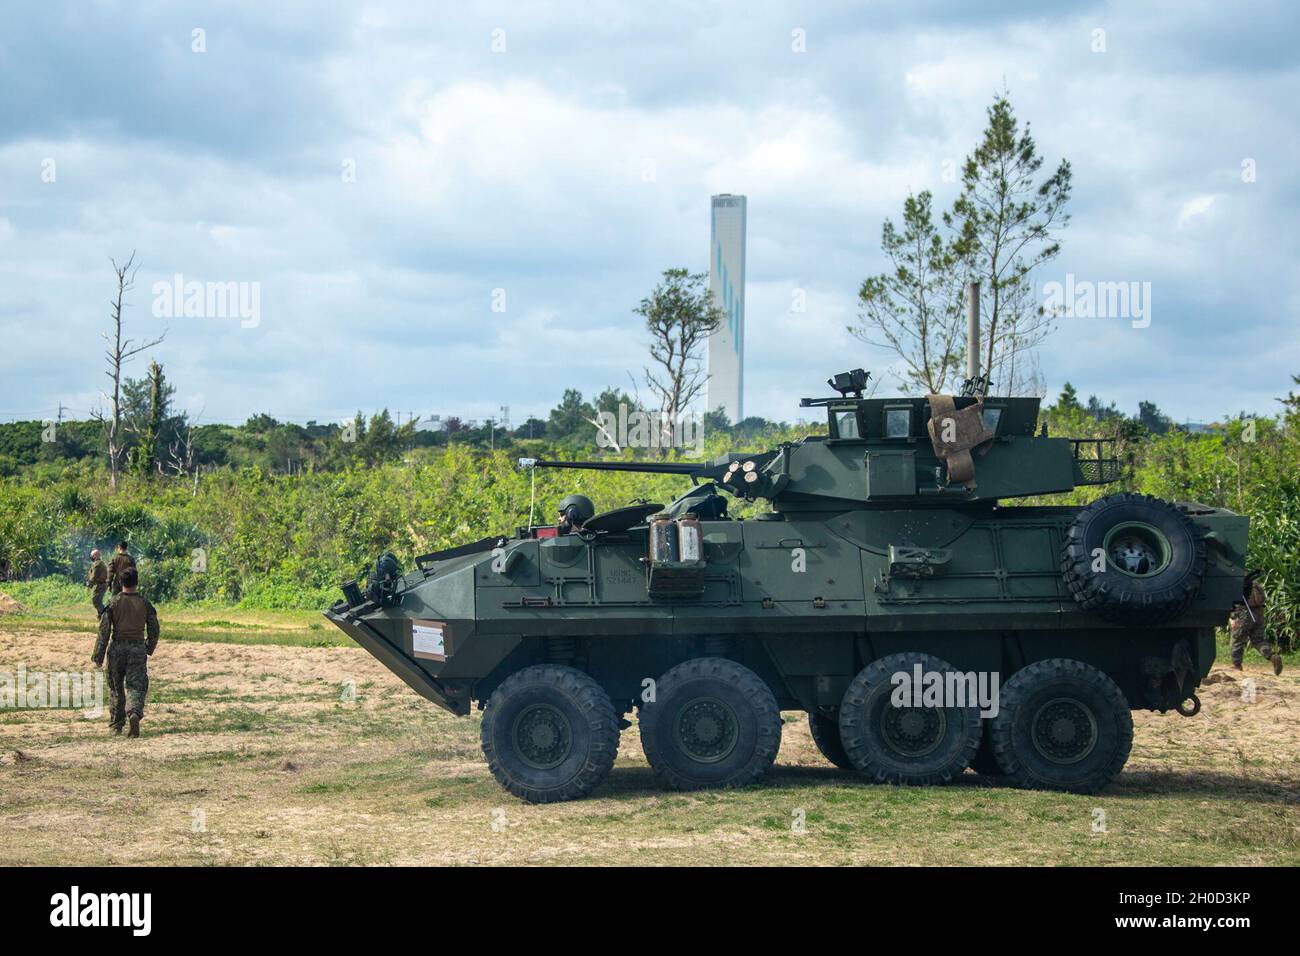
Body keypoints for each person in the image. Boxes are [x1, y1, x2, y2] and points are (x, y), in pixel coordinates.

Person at [92, 567, 159, 738]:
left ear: (121, 582)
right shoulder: (145, 603)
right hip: (137, 649)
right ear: (137, 582)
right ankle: (134, 713)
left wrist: (98, 657)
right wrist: (149, 647)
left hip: (116, 650)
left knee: (116, 687)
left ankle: (116, 725)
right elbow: (154, 628)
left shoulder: (113, 603)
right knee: (136, 685)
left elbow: (104, 632)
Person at [1230, 571, 1283, 675]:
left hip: (1244, 613)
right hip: (1259, 613)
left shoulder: (1239, 583)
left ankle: (1236, 665)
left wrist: (1233, 617)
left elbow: (1234, 601)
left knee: (1237, 639)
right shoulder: (1255, 583)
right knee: (1258, 640)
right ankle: (1272, 656)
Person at [86, 549, 108, 616]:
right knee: (97, 600)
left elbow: (94, 576)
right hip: (101, 585)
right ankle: (101, 615)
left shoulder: (97, 564)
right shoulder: (99, 563)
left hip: (100, 585)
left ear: (95, 555)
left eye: (92, 556)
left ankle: (105, 614)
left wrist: (89, 586)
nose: (91, 557)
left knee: (96, 601)